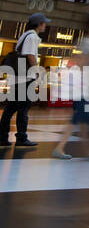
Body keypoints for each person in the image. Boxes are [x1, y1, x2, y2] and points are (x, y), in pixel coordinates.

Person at [52, 15, 89, 160]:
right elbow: (77, 62)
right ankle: (65, 148)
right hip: (81, 83)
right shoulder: (84, 43)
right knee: (81, 116)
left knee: (84, 118)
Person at [1, 13, 46, 148]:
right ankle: (21, 138)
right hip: (25, 78)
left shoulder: (24, 35)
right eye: (44, 23)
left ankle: (2, 137)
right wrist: (37, 71)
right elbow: (30, 55)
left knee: (10, 109)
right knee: (23, 109)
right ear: (39, 24)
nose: (45, 25)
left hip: (17, 77)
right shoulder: (32, 37)